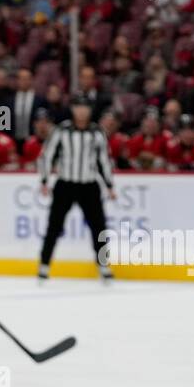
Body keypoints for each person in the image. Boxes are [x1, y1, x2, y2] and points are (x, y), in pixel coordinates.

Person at [36, 93, 116, 283]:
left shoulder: (97, 132)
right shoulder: (61, 131)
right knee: (54, 226)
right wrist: (45, 180)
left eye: (85, 107)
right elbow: (47, 155)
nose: (81, 111)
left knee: (99, 227)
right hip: (65, 184)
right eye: (78, 107)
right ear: (72, 109)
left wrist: (109, 185)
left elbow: (104, 160)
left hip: (89, 185)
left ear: (90, 110)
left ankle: (103, 265)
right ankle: (44, 264)